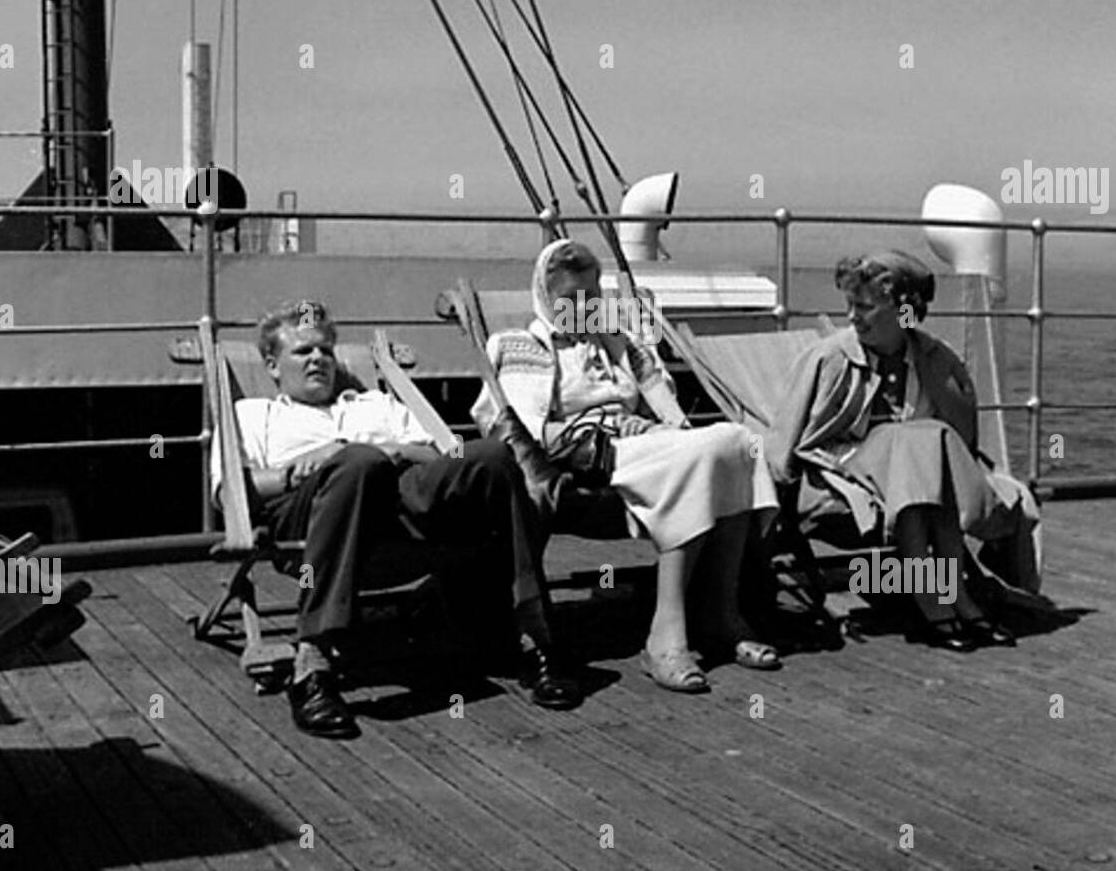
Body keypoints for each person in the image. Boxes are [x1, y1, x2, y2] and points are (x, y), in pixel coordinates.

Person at [211, 300, 582, 738]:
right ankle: (313, 664)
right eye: (303, 351)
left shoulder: (377, 403)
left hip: (402, 502)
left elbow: (440, 454)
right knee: (357, 462)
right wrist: (307, 465)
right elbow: (228, 492)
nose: (318, 359)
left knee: (491, 455)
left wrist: (396, 452)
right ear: (272, 366)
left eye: (325, 351)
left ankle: (532, 636)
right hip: (311, 514)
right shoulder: (254, 415)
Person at [473, 239, 781, 693]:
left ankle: (722, 610)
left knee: (739, 443)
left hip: (648, 449)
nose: (581, 308)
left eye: (590, 297)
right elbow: (533, 431)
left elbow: (667, 406)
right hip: (593, 458)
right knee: (696, 460)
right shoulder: (521, 346)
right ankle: (666, 636)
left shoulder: (620, 342)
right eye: (568, 299)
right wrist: (627, 431)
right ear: (544, 296)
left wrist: (658, 429)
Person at [767, 251, 1040, 652]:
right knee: (915, 441)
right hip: (842, 470)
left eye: (864, 307)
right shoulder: (830, 358)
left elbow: (961, 435)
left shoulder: (934, 358)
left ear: (904, 312)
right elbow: (788, 436)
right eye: (850, 307)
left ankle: (949, 601)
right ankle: (942, 601)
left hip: (919, 479)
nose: (853, 318)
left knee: (923, 447)